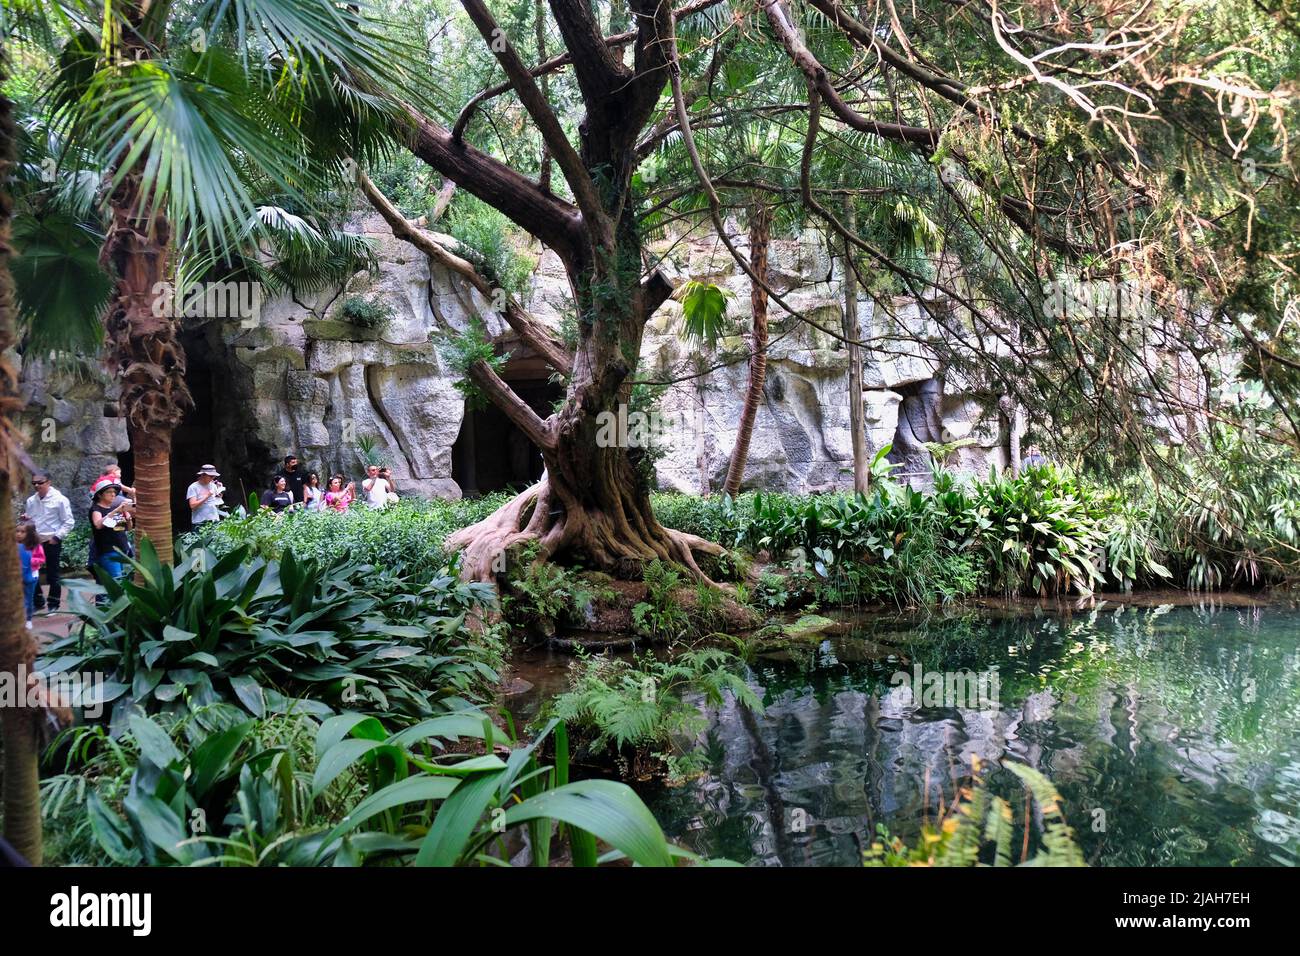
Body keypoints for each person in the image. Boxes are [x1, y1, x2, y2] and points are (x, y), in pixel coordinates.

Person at [23, 473, 74, 613]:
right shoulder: (31, 501)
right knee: (30, 572)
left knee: (53, 573)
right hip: (34, 541)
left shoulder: (60, 500)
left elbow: (68, 522)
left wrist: (56, 538)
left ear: (49, 482)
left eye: (40, 482)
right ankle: (38, 601)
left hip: (51, 540)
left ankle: (54, 603)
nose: (37, 485)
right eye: (34, 483)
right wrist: (27, 519)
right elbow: (30, 521)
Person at [89, 478, 132, 585]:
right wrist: (116, 511)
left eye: (114, 492)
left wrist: (128, 519)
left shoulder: (113, 509)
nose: (113, 494)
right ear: (100, 495)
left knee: (121, 581)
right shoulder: (96, 509)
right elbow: (98, 524)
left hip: (122, 549)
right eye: (109, 492)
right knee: (116, 583)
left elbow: (124, 529)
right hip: (108, 551)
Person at [16, 522, 41, 629]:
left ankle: (28, 619)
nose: (19, 534)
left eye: (23, 532)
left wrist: (31, 560)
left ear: (30, 534)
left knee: (28, 599)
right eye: (17, 531)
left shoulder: (35, 546)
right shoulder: (13, 546)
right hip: (17, 576)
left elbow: (41, 559)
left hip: (31, 576)